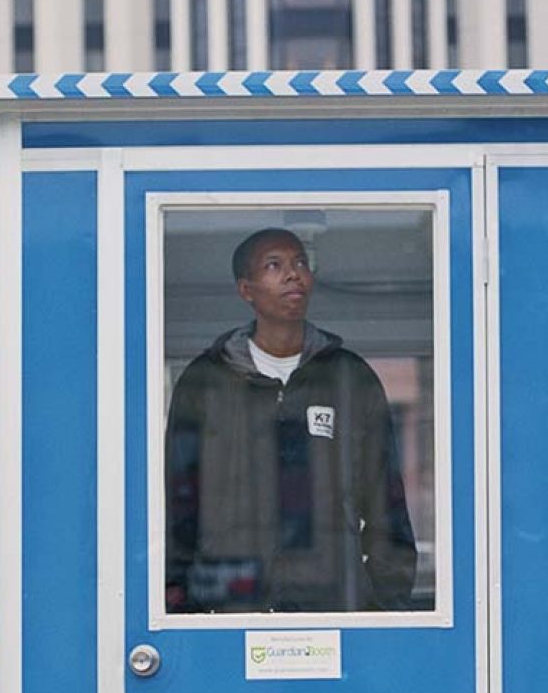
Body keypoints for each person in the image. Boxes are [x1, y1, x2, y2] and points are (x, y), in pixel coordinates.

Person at [165, 227, 418, 613]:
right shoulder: (206, 380)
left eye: (301, 262)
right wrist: (181, 604)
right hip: (226, 611)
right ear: (246, 290)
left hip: (334, 610)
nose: (293, 273)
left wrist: (386, 606)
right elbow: (178, 501)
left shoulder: (349, 378)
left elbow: (387, 503)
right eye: (274, 265)